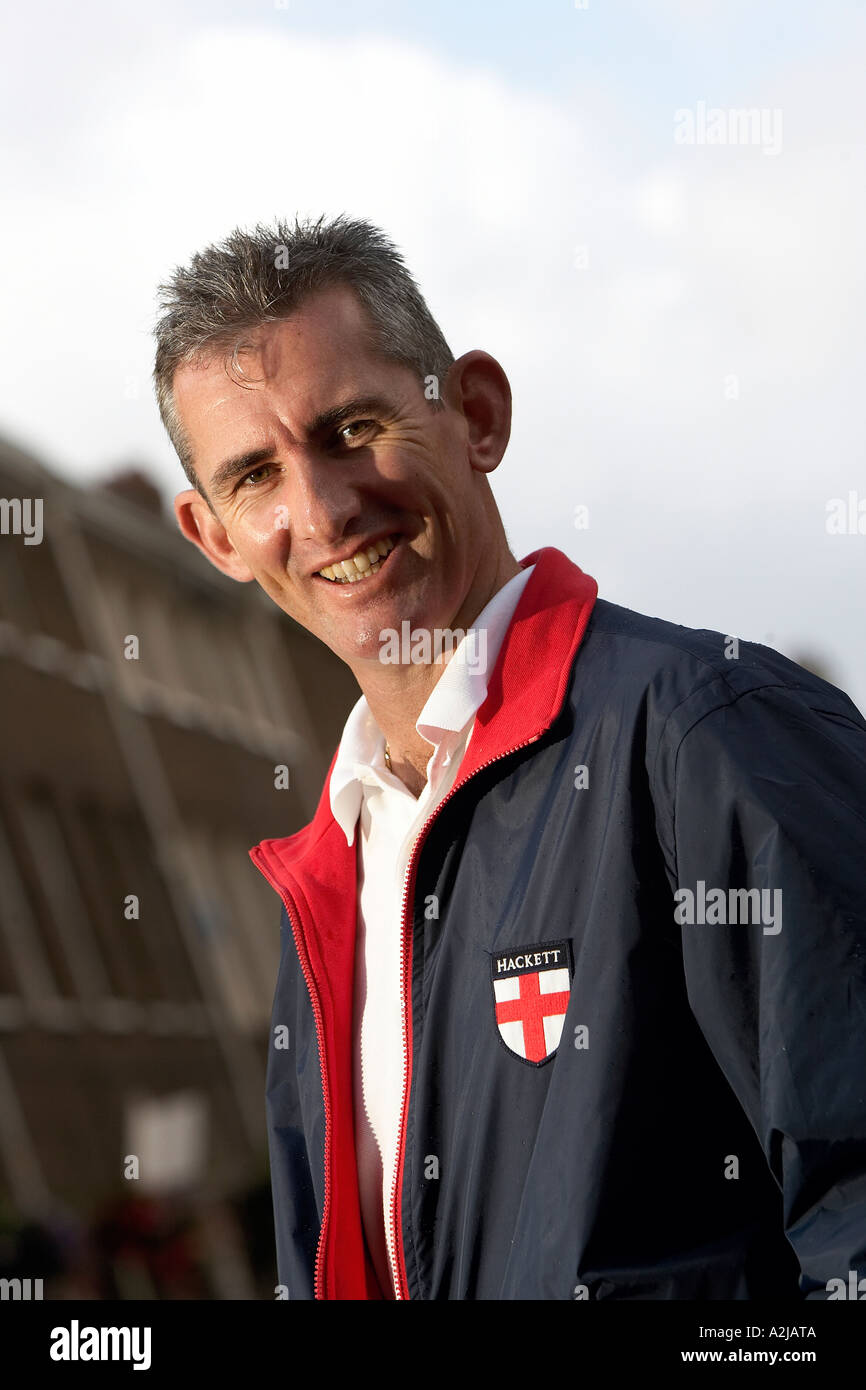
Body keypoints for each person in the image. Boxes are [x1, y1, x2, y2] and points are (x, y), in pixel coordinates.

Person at [153, 215, 866, 1301]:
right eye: (256, 476)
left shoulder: (704, 733)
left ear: (475, 414)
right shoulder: (331, 868)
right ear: (214, 539)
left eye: (352, 427)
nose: (326, 508)